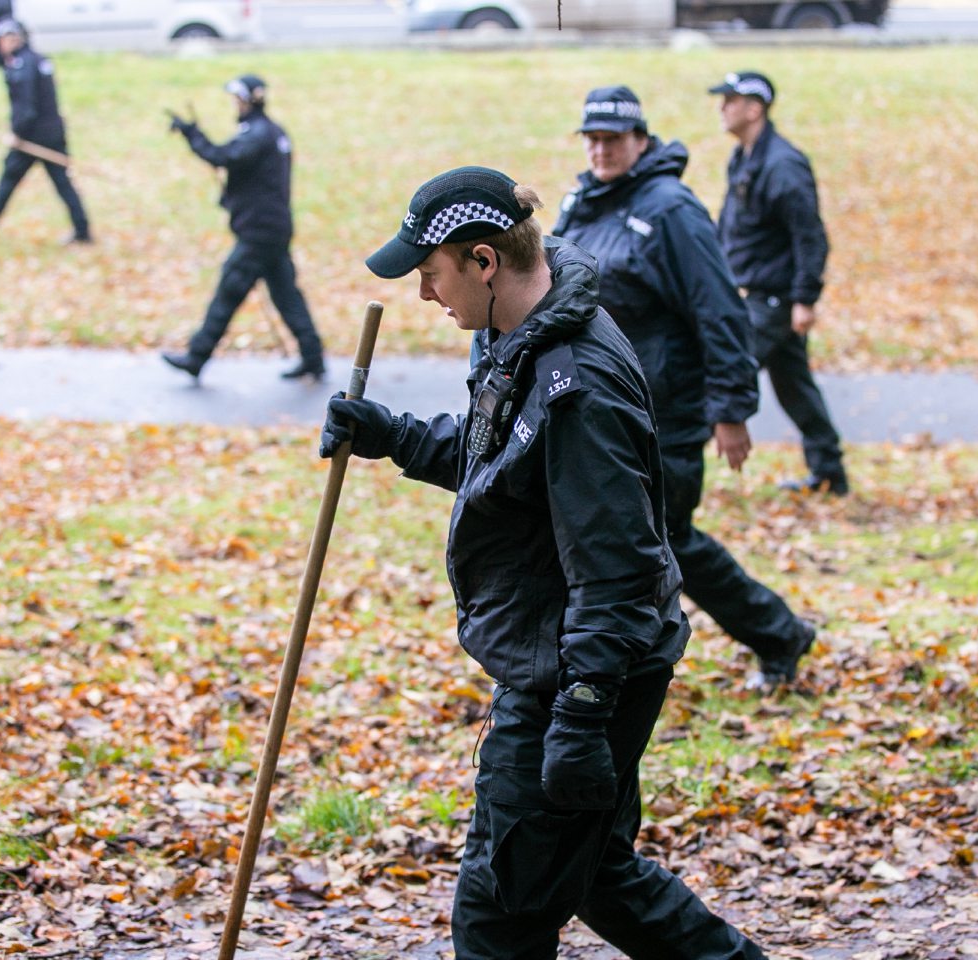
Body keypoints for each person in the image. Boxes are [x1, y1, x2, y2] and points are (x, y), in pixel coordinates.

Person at [319, 165, 769, 960]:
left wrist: (580, 717)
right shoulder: (516, 334)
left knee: (501, 913)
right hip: (562, 651)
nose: (426, 294)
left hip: (577, 671)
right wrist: (392, 436)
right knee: (593, 874)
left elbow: (619, 571)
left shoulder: (578, 384)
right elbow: (504, 461)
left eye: (433, 273)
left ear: (486, 261)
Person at [552, 85, 815, 693]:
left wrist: (731, 409)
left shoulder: (670, 209)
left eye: (613, 139)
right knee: (632, 542)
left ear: (641, 140)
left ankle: (776, 633)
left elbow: (720, 309)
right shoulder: (584, 201)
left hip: (664, 412)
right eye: (591, 138)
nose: (600, 150)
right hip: (601, 411)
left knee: (667, 542)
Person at [712, 70, 848, 495]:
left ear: (755, 108)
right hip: (753, 294)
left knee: (723, 375)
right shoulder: (744, 158)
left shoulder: (782, 165)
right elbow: (733, 228)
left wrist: (805, 299)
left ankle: (668, 471)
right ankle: (829, 475)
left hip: (772, 300)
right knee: (795, 388)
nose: (722, 107)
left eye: (730, 100)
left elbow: (810, 235)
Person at [161, 74, 324, 382]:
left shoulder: (258, 134)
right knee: (287, 295)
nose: (234, 105)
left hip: (259, 232)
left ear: (251, 100)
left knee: (228, 293)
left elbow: (223, 157)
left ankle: (197, 357)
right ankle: (313, 358)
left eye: (238, 99)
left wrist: (190, 134)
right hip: (272, 228)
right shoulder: (272, 132)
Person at [0, 19, 91, 244]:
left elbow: (26, 109)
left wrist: (16, 134)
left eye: (2, 40)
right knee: (61, 183)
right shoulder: (38, 60)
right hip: (54, 132)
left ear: (13, 39)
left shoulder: (21, 66)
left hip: (33, 137)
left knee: (9, 181)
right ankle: (82, 229)